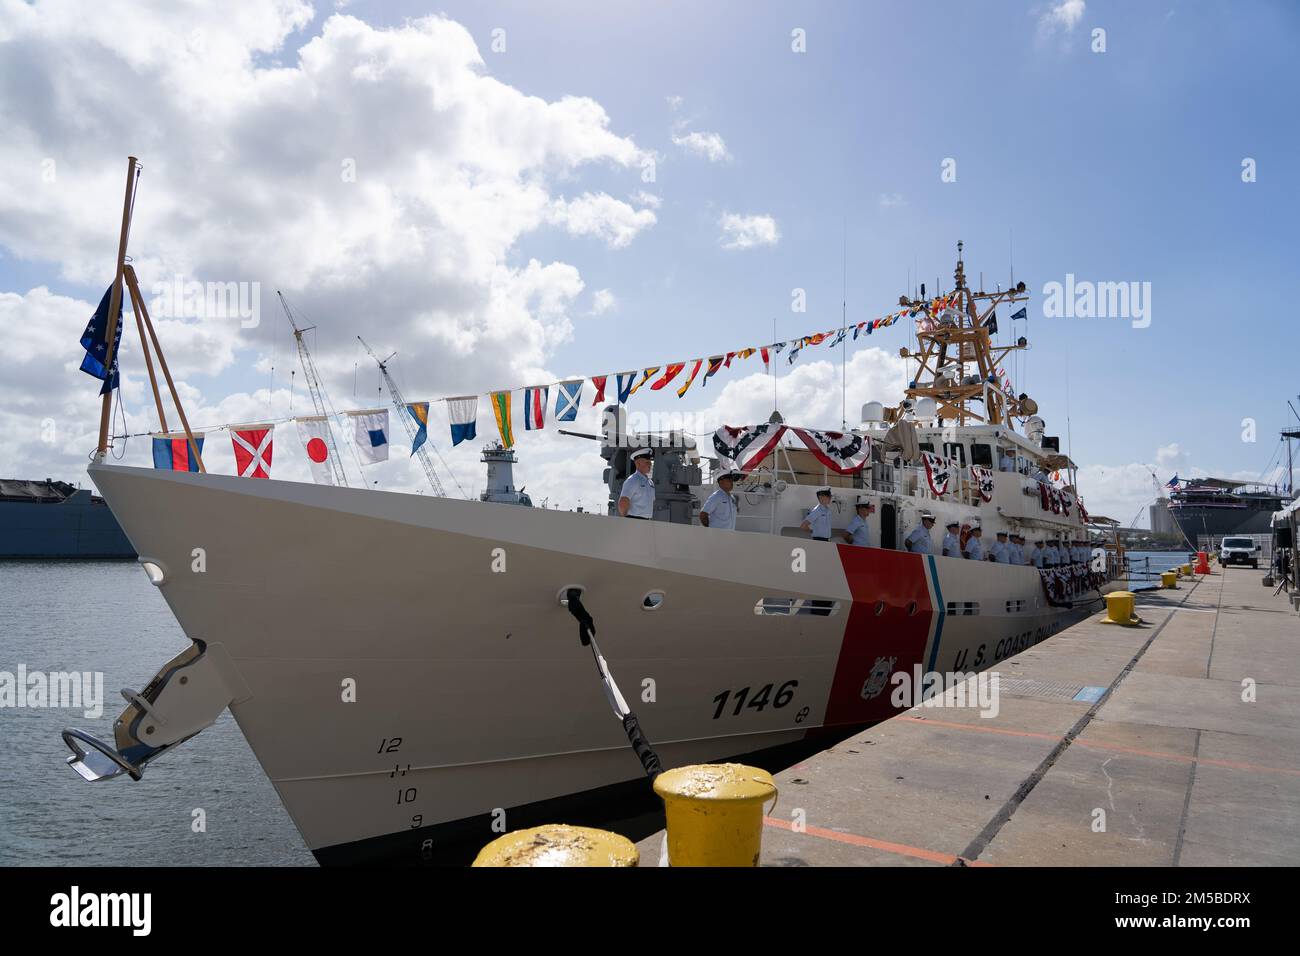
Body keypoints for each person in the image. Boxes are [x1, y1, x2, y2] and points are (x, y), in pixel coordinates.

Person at [618, 448, 655, 519]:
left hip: (646, 521)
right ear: (637, 463)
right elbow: (623, 503)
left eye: (650, 462)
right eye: (647, 462)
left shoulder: (650, 483)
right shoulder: (632, 480)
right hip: (633, 520)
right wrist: (627, 522)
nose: (650, 465)